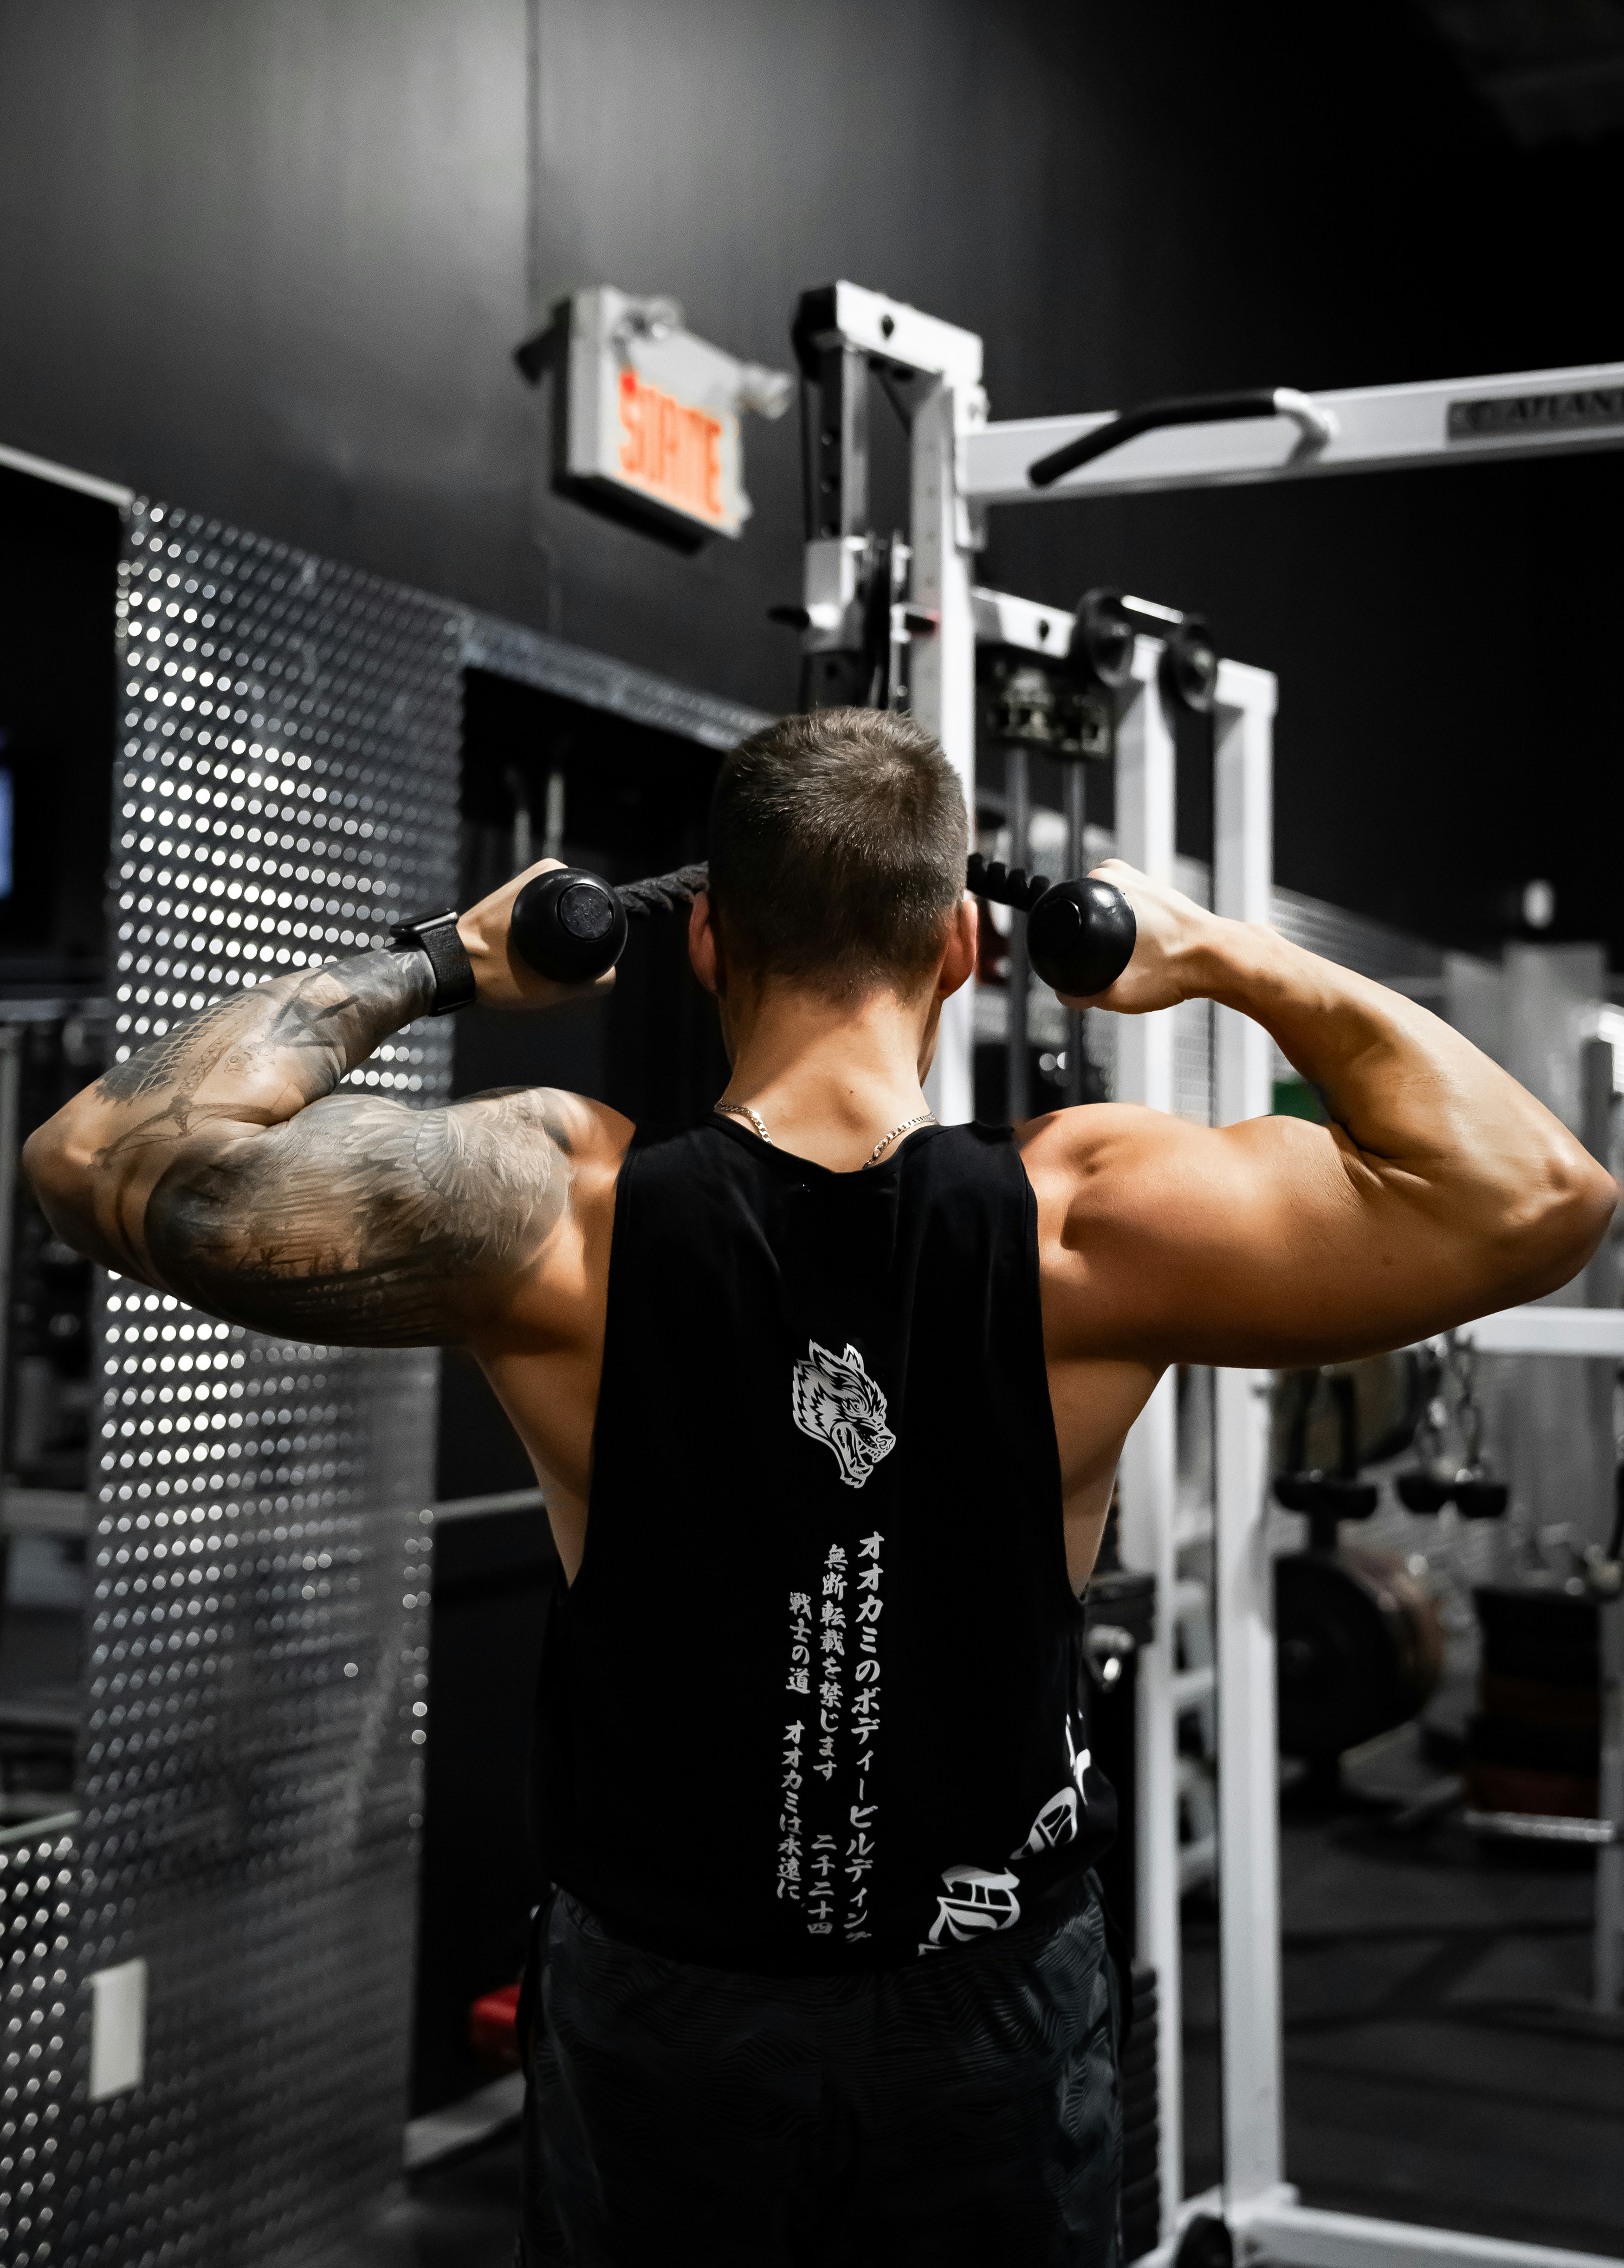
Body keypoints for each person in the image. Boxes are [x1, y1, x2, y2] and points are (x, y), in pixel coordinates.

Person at [24, 708, 1613, 2268]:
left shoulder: (556, 1211)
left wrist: (440, 959)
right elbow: (1539, 1193)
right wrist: (1217, 958)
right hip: (981, 1994)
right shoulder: (1090, 1222)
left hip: (667, 2000)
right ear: (959, 952)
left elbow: (97, 1160)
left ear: (705, 943)